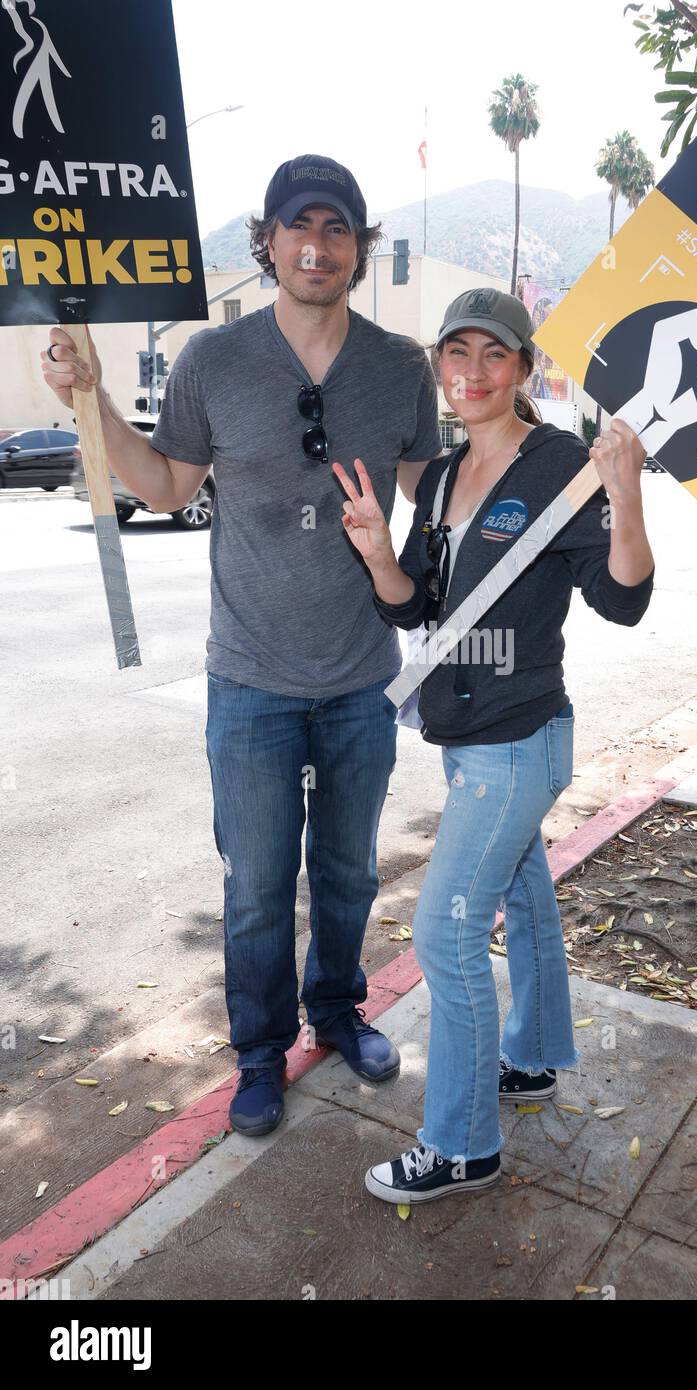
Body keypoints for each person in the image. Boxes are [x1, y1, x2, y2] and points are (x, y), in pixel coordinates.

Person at [40, 155, 444, 1138]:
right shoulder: (212, 361)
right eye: (298, 226)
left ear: (359, 245)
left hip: (360, 681)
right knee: (258, 889)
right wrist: (89, 403)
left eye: (338, 226)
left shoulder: (398, 366)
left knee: (347, 874)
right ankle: (259, 1055)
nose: (318, 244)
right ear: (266, 242)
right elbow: (168, 489)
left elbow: (439, 498)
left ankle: (338, 1009)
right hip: (250, 684)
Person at [331, 287, 655, 1202]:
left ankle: (462, 1143)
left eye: (493, 356)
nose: (471, 373)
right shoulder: (436, 476)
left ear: (521, 369)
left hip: (518, 741)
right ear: (440, 365)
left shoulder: (559, 464)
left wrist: (625, 493)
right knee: (525, 898)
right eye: (456, 353)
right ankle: (535, 1060)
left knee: (444, 929)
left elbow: (622, 598)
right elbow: (417, 608)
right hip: (467, 735)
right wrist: (372, 549)